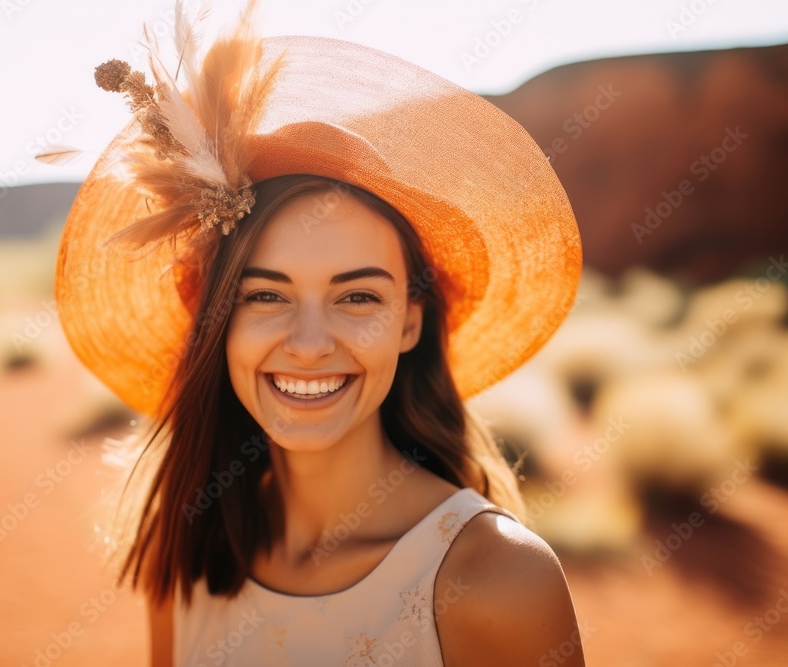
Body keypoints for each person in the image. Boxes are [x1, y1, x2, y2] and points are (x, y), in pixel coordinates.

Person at [54, 2, 586, 665]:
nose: (309, 344)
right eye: (265, 295)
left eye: (358, 296)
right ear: (218, 323)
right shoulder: (189, 547)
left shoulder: (496, 579)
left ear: (409, 322)